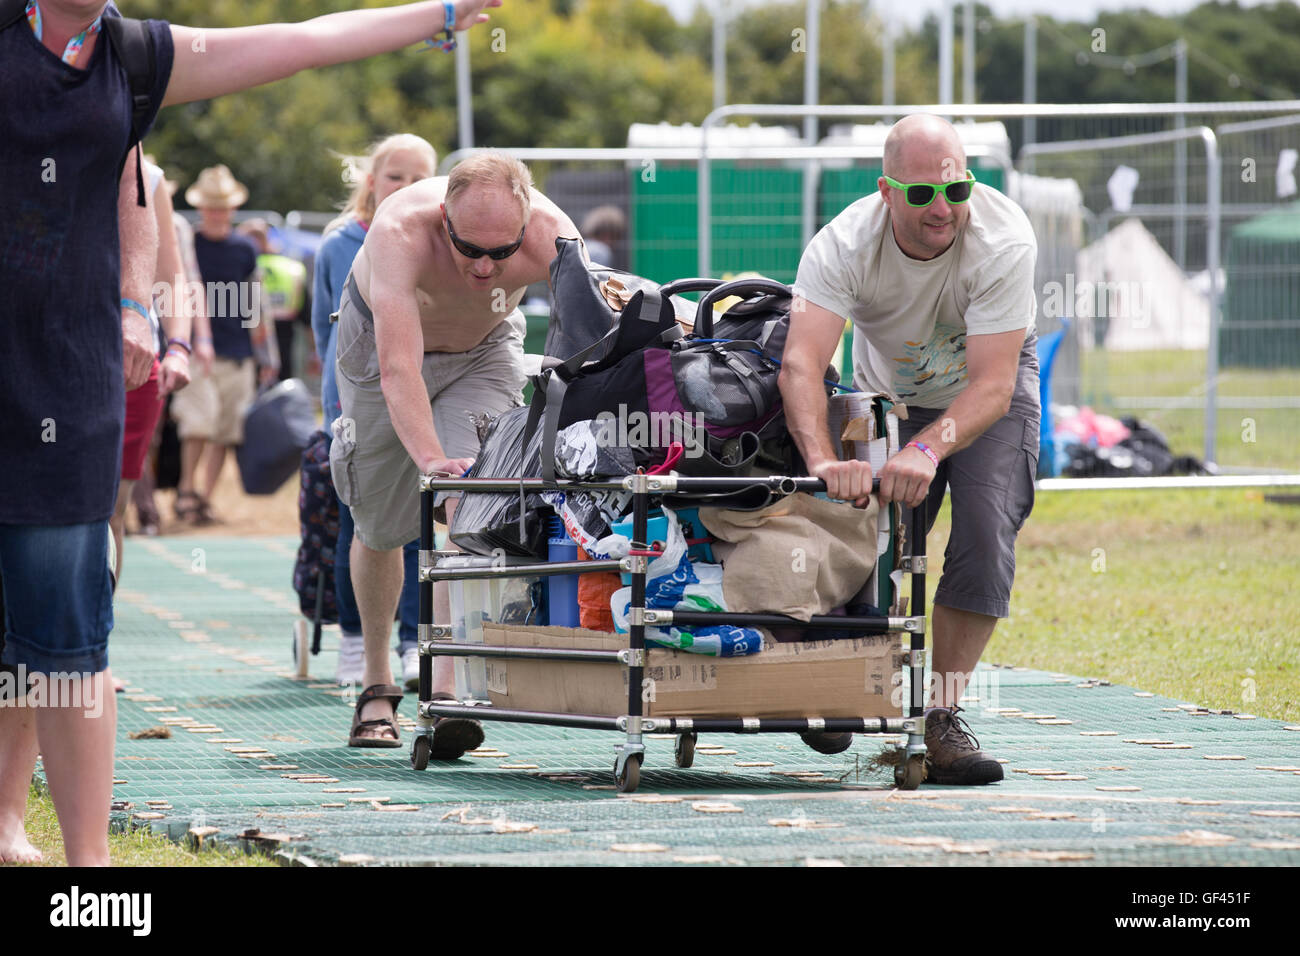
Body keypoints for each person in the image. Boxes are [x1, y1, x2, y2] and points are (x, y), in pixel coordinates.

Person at [0, 0, 503, 867]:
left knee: (64, 637)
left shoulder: (128, 54)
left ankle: (87, 880)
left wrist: (441, 13)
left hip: (66, 379)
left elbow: (298, 44)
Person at [779, 114, 1040, 785]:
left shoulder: (1003, 237)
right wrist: (819, 464)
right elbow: (803, 363)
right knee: (858, 536)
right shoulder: (842, 245)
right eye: (921, 195)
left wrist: (926, 451)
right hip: (886, 393)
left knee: (985, 531)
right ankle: (845, 685)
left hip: (989, 386)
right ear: (886, 191)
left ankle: (940, 717)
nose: (943, 210)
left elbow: (992, 384)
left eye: (957, 191)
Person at [332, 153, 579, 753]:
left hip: (485, 349)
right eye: (470, 249)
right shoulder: (398, 232)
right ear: (444, 218)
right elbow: (397, 367)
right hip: (382, 353)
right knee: (382, 529)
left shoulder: (556, 237)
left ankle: (444, 694)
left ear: (527, 221)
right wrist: (429, 459)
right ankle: (375, 682)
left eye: (503, 250)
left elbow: (590, 332)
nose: (486, 267)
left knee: (471, 508)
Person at [313, 134, 438, 689]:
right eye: (395, 176)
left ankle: (414, 642)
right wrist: (342, 403)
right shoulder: (339, 244)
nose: (406, 189)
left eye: (419, 178)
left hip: (418, 401)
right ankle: (356, 641)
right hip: (358, 404)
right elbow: (327, 332)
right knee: (361, 526)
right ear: (371, 180)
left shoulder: (440, 243)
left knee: (419, 528)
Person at [169, 164, 278, 525]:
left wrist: (265, 353)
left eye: (223, 205)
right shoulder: (189, 244)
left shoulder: (244, 248)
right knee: (197, 423)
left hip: (239, 352)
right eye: (211, 205)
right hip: (197, 349)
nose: (217, 212)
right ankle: (185, 490)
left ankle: (204, 498)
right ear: (201, 208)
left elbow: (255, 303)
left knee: (225, 431)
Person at [110, 155, 194, 580]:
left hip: (131, 362)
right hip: (41, 357)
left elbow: (172, 277)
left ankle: (93, 637)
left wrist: (179, 346)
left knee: (111, 512)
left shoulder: (148, 177)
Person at [239, 218, 310, 382]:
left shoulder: (238, 265)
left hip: (244, 345)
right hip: (283, 347)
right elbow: (307, 316)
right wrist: (314, 352)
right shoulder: (292, 269)